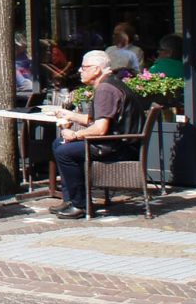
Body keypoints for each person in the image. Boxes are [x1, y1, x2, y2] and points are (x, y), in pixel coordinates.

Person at [51, 49, 141, 219]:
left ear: (97, 69)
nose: (80, 70)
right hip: (117, 142)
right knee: (58, 144)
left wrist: (75, 135)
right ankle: (70, 199)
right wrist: (70, 115)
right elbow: (98, 120)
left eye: (84, 67)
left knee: (64, 151)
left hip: (118, 147)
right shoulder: (110, 83)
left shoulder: (105, 89)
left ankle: (80, 205)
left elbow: (100, 129)